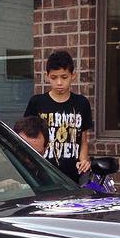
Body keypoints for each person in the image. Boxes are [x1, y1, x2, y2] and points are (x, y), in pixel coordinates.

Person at [23, 50, 92, 182]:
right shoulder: (37, 102)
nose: (59, 83)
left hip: (73, 175)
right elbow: (26, 138)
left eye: (64, 77)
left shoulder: (82, 103)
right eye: (54, 78)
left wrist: (84, 160)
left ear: (73, 76)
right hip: (42, 173)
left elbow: (83, 140)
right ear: (47, 76)